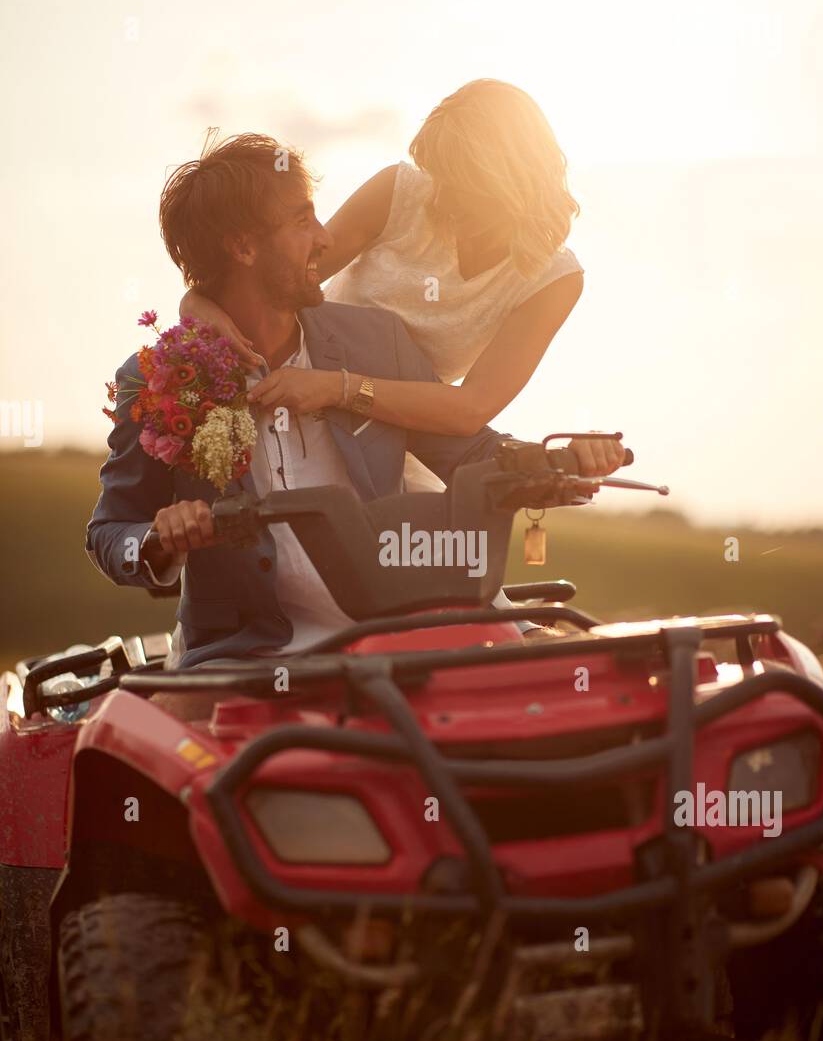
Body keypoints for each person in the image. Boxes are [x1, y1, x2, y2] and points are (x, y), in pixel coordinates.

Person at [87, 132, 624, 669]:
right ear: (243, 247)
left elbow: (467, 449)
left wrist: (558, 459)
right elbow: (111, 533)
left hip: (398, 635)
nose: (325, 239)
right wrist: (159, 538)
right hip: (243, 660)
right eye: (302, 222)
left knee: (570, 681)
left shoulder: (378, 342)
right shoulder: (154, 379)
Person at [180, 81, 584, 488]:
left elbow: (470, 409)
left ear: (506, 184)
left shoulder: (553, 281)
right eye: (437, 174)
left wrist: (338, 388)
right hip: (299, 380)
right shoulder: (399, 193)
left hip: (410, 434)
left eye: (458, 183)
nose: (440, 196)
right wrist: (196, 302)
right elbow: (290, 269)